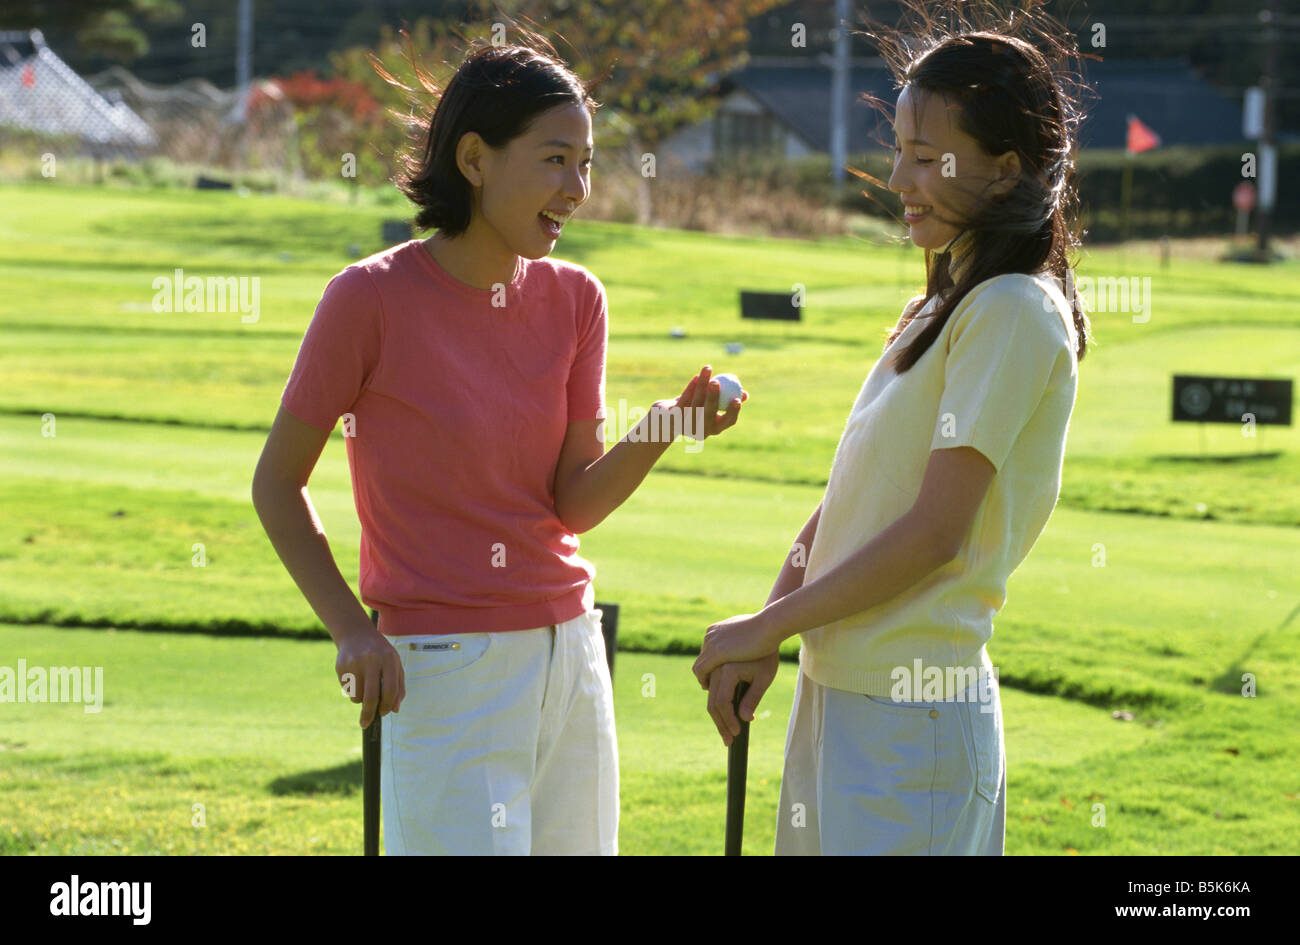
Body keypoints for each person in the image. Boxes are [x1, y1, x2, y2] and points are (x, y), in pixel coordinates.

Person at [252, 35, 745, 856]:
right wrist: (352, 630)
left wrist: (665, 425)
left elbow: (572, 501)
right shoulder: (367, 299)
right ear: (475, 158)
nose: (577, 189)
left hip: (573, 656)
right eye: (556, 159)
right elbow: (277, 484)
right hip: (441, 670)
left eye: (587, 163)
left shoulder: (577, 298)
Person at [692, 16, 1094, 855]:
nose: (899, 177)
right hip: (838, 696)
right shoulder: (939, 306)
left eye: (927, 156)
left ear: (1007, 169)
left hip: (916, 727)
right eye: (900, 148)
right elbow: (850, 504)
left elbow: (935, 534)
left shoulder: (1014, 309)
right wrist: (771, 627)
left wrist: (771, 627)